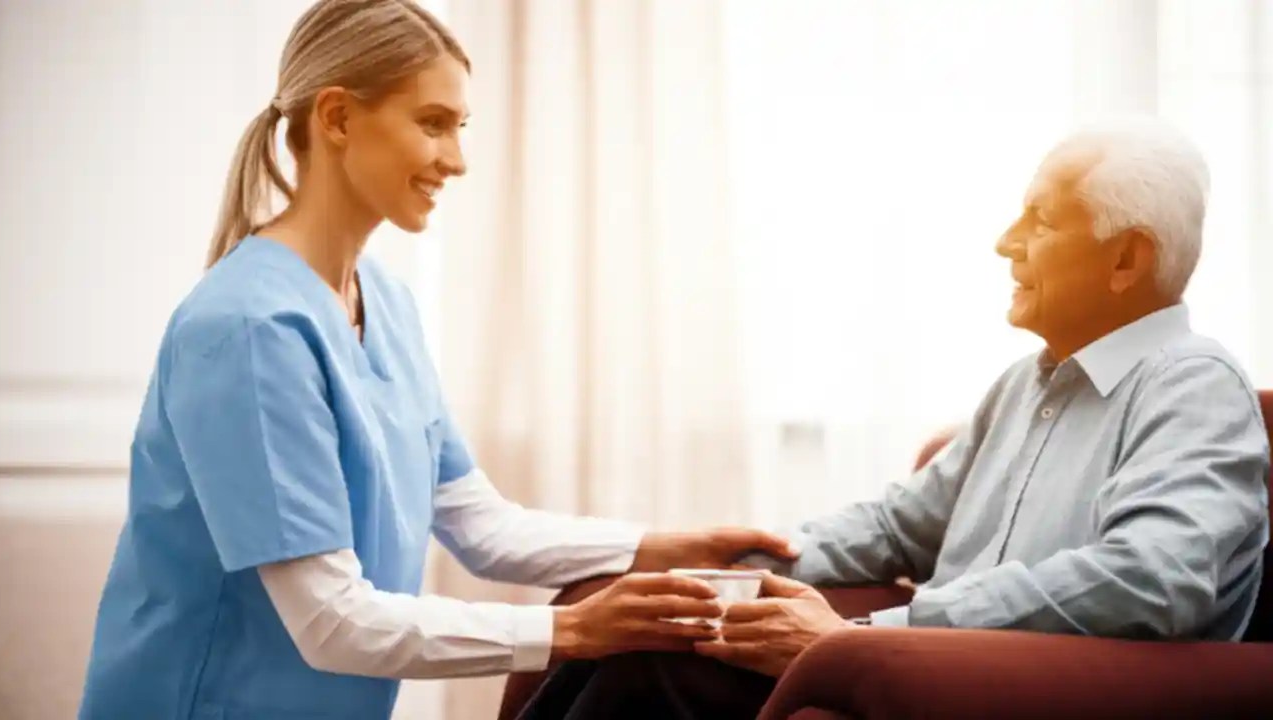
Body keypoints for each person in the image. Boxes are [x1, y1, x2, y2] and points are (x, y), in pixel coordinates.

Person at [76, 2, 797, 718]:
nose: (456, 159)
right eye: (433, 124)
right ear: (336, 118)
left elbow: (482, 528)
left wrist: (663, 548)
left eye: (460, 127)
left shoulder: (382, 301)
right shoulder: (247, 329)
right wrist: (574, 629)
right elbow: (332, 621)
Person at [516, 119, 1271, 719]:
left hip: (1021, 688)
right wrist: (731, 579)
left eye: (1039, 221)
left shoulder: (1192, 385)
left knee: (655, 670)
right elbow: (899, 526)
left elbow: (1150, 581)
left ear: (1125, 260)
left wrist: (871, 637)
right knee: (640, 635)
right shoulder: (1024, 385)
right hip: (924, 674)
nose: (1005, 243)